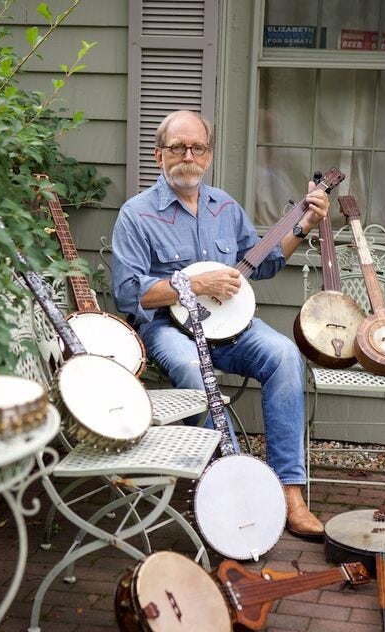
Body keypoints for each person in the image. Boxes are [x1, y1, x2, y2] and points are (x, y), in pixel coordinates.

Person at [111, 110, 329, 540]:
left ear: (208, 157)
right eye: (178, 147)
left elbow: (263, 264)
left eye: (197, 148)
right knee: (194, 369)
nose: (187, 156)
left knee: (285, 354)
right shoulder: (136, 215)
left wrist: (303, 225)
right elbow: (128, 293)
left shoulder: (225, 207)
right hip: (169, 331)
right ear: (160, 155)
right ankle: (234, 487)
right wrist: (191, 284)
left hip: (232, 330)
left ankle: (289, 493)